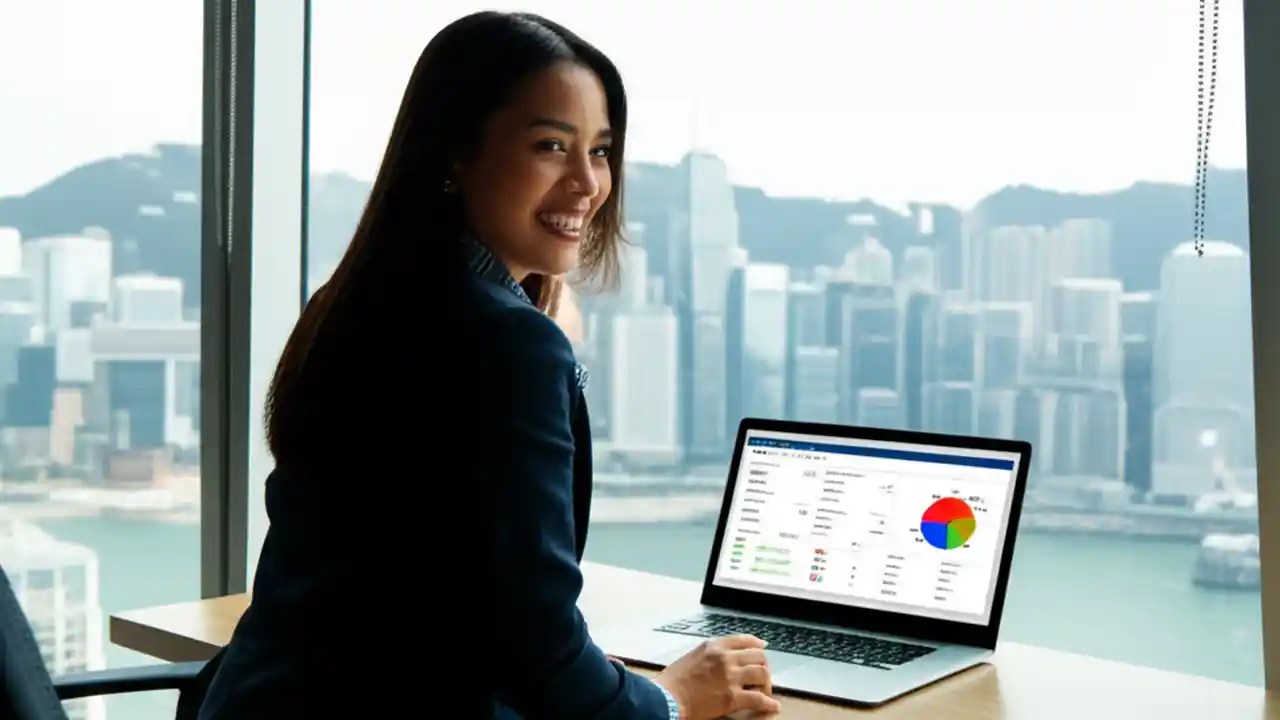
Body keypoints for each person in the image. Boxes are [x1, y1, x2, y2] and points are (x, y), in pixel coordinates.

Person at [194, 11, 782, 720]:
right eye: (550, 146)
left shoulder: (359, 300)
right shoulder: (505, 341)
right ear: (455, 153)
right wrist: (672, 698)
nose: (587, 183)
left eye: (599, 151)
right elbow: (537, 651)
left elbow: (438, 584)